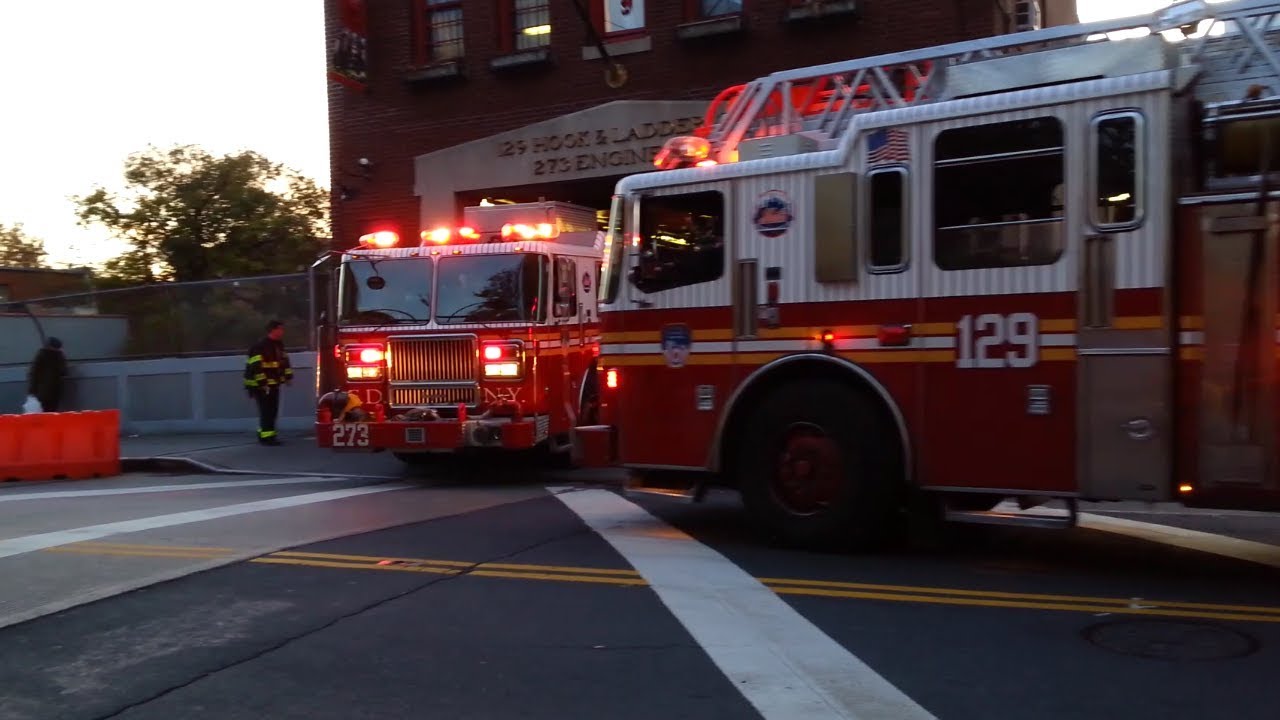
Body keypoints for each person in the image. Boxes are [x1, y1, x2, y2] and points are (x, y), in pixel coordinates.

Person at [244, 320, 293, 446]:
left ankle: (265, 434)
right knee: (267, 411)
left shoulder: (278, 345)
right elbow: (256, 366)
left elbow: (284, 361)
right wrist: (263, 383)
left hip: (273, 384)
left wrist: (288, 376)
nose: (283, 331)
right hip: (261, 386)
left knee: (271, 410)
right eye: (280, 329)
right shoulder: (260, 346)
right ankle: (267, 437)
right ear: (273, 330)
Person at [27, 336, 68, 412]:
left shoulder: (40, 355)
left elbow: (33, 374)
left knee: (42, 413)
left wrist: (32, 391)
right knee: (52, 412)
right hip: (54, 392)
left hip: (41, 392)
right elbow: (64, 372)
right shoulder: (59, 357)